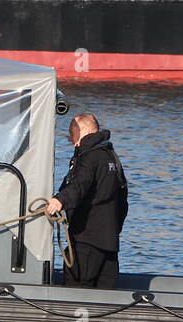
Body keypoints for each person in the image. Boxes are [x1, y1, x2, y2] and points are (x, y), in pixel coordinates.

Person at [45, 113, 129, 289]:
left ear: (85, 130)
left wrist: (60, 200)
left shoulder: (89, 157)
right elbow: (123, 198)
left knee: (77, 284)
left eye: (72, 133)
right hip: (109, 242)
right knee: (105, 289)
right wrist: (114, 229)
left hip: (87, 241)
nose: (70, 138)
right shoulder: (110, 155)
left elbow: (81, 183)